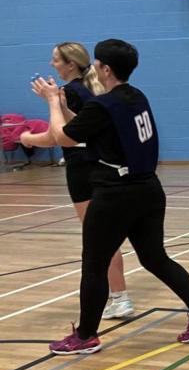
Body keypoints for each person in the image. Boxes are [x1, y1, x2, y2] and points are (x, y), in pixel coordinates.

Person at [33, 39, 189, 355]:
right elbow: (87, 126)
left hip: (115, 194)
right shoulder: (136, 97)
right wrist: (64, 105)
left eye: (96, 62)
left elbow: (63, 136)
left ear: (105, 68)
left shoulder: (104, 105)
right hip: (148, 189)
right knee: (154, 257)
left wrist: (53, 102)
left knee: (94, 265)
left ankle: (86, 336)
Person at [20, 42, 135, 320]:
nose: (52, 65)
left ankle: (119, 297)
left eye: (56, 60)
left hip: (83, 170)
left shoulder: (71, 92)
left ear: (70, 64)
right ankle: (117, 296)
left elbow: (57, 136)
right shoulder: (84, 89)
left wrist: (26, 139)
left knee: (99, 237)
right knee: (105, 235)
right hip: (96, 166)